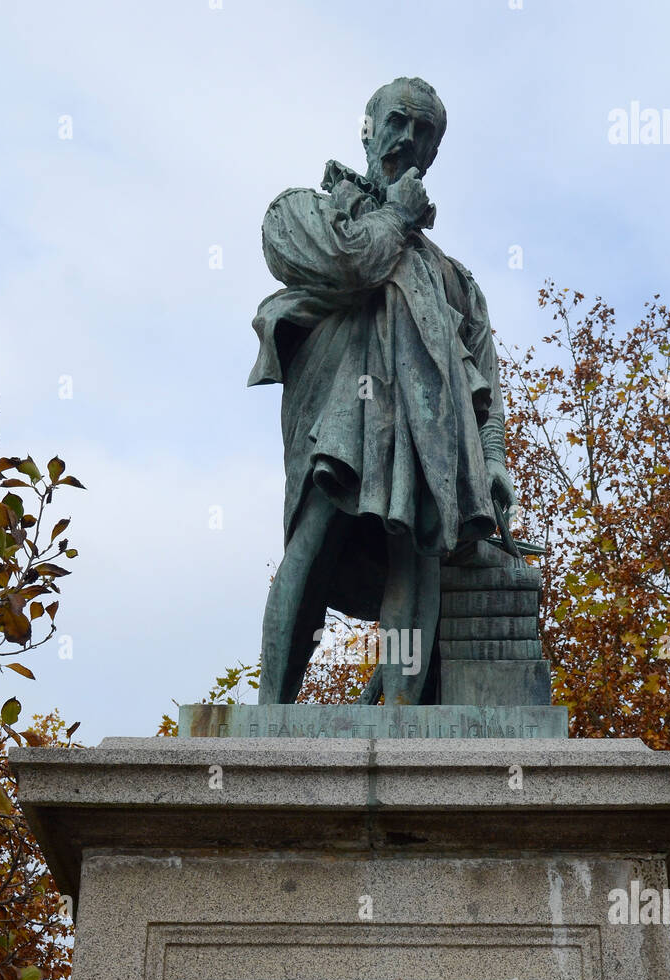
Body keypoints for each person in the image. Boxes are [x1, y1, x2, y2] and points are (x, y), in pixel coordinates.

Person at [249, 76, 515, 705]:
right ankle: (268, 716)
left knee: (416, 551)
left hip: (431, 437)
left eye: (425, 133)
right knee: (313, 542)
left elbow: (483, 368)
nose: (408, 139)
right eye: (397, 121)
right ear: (367, 128)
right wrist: (396, 215)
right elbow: (348, 264)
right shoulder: (305, 211)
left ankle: (399, 720)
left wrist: (496, 457)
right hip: (339, 416)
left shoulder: (453, 277)